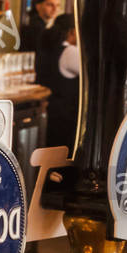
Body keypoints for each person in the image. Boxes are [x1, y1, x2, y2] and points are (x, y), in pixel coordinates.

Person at [36, 12, 78, 154]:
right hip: (65, 116)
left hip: (53, 112)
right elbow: (93, 73)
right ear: (73, 31)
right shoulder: (70, 51)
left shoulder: (50, 49)